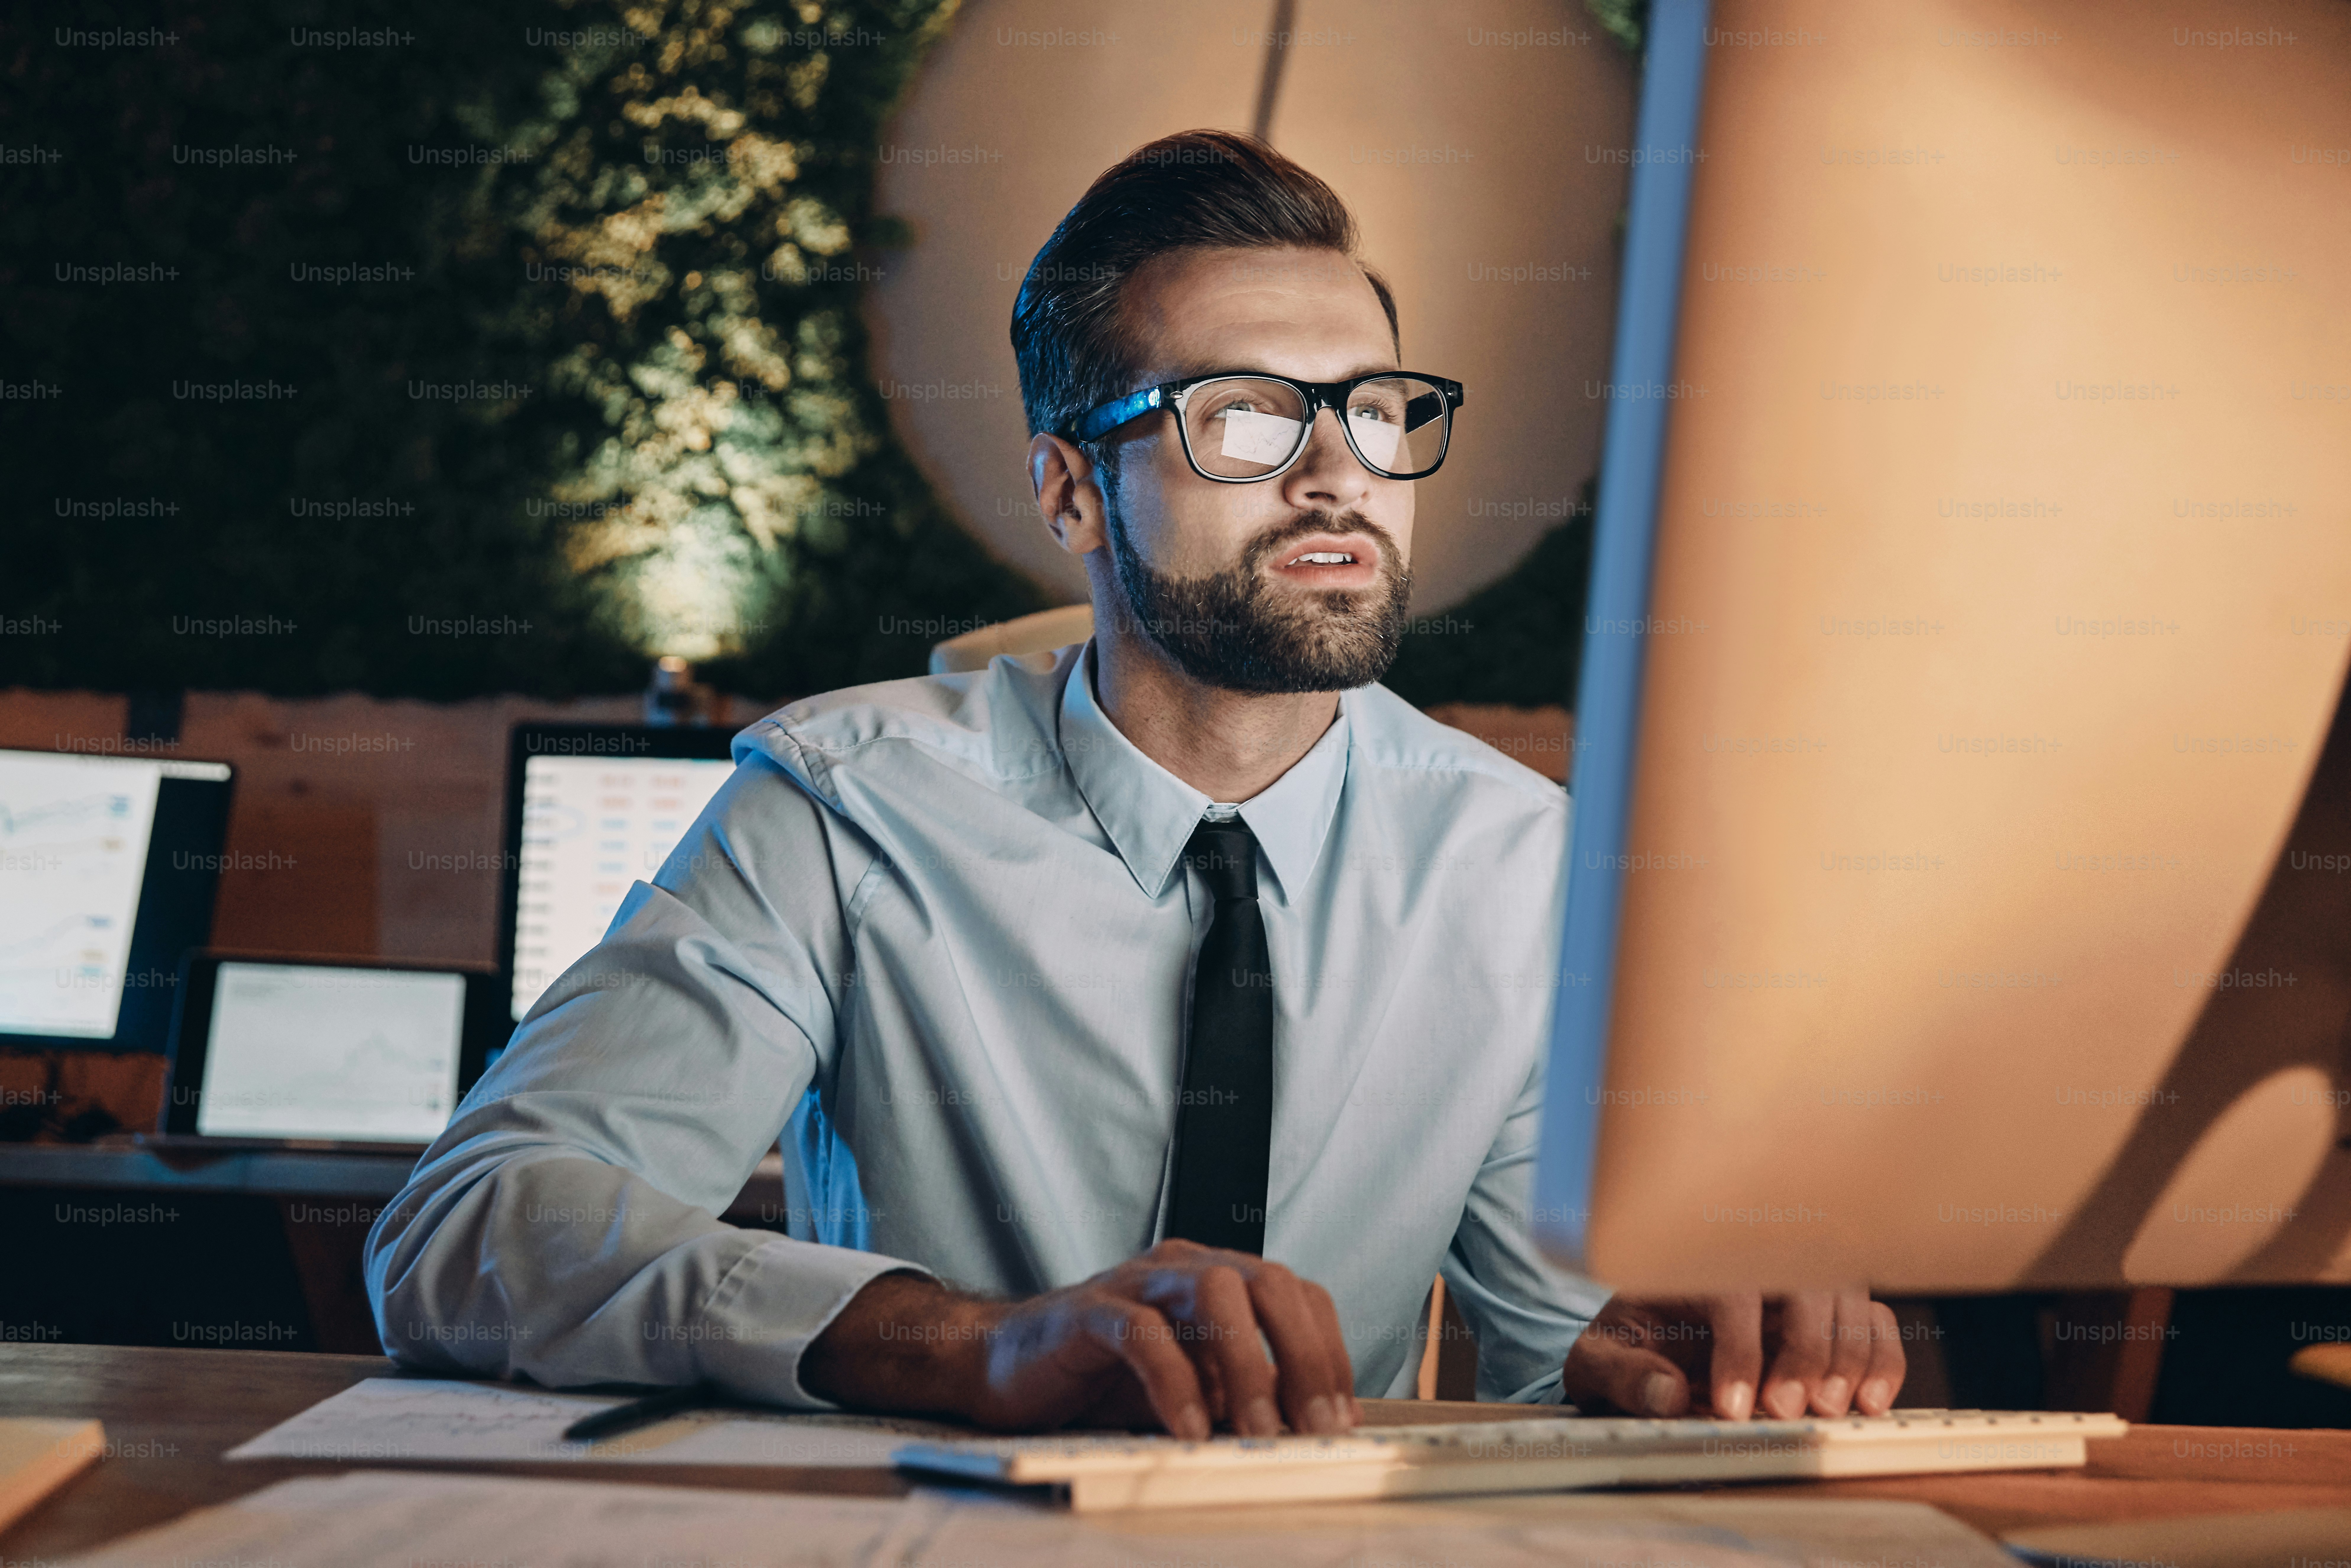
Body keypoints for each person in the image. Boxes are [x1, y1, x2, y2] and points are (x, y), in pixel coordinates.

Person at [367, 129, 1906, 1439]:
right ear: (1070, 491)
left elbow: (1553, 1338)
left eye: (1374, 409)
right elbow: (464, 1230)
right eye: (1241, 416)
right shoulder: (848, 807)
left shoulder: (1512, 857)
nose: (1338, 474)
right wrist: (972, 1347)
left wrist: (1652, 1350)